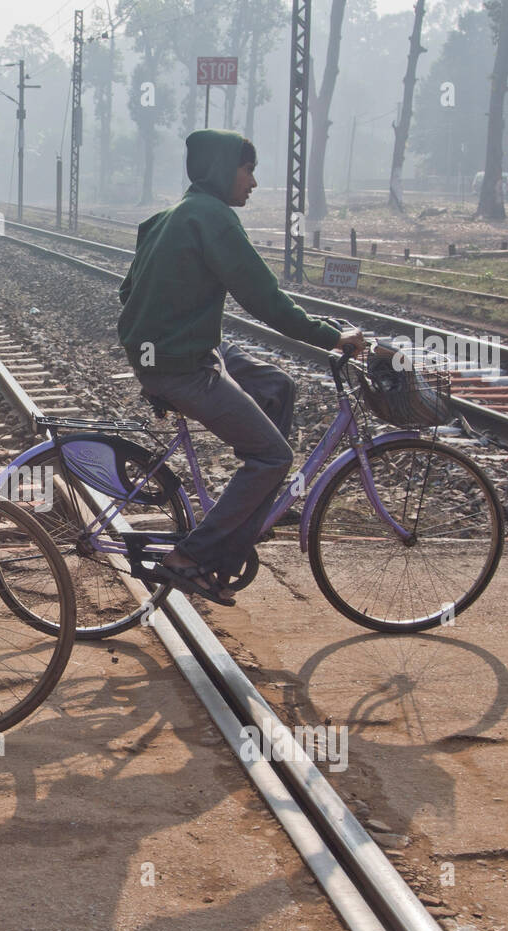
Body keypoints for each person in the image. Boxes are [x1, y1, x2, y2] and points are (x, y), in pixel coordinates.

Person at [118, 128, 363, 606]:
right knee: (274, 457)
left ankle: (252, 511)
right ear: (222, 169)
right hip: (181, 365)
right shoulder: (213, 218)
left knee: (277, 386)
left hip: (178, 350)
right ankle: (194, 557)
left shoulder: (170, 215)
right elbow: (265, 301)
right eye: (247, 169)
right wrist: (332, 338)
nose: (253, 181)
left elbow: (129, 293)